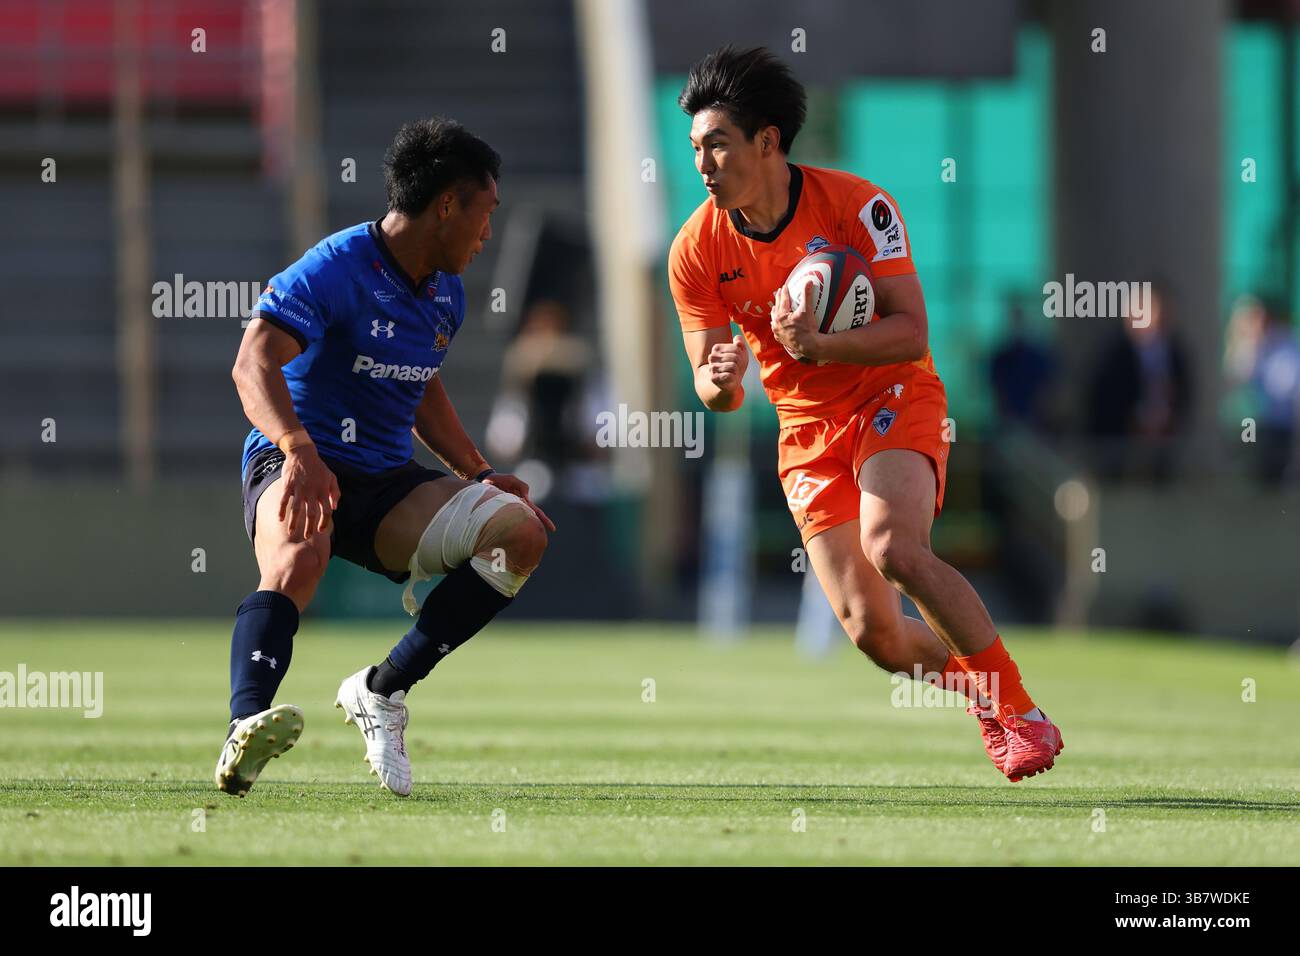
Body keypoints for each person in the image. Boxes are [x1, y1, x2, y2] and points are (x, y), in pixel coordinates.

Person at [668, 47, 1063, 782]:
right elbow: (712, 388)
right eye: (695, 147)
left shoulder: (858, 206)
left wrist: (821, 342)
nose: (703, 162)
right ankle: (983, 693)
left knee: (894, 548)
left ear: (768, 141)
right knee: (873, 634)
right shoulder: (695, 250)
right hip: (805, 432)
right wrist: (717, 380)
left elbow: (912, 330)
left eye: (717, 143)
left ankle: (1022, 710)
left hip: (892, 392)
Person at [218, 117, 555, 798]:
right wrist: (297, 449)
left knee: (522, 532)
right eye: (485, 214)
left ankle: (382, 691)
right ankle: (245, 723)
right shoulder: (335, 267)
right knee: (298, 560)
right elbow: (252, 363)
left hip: (383, 484)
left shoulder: (444, 292)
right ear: (447, 206)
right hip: (298, 462)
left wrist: (480, 474)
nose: (487, 233)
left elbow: (421, 384)